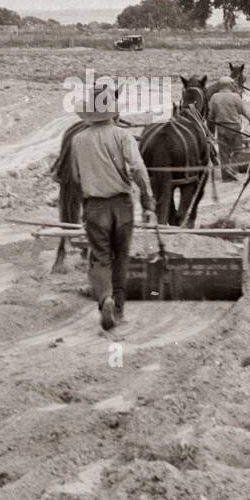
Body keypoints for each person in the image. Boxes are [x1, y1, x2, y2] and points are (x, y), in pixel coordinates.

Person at [69, 80, 154, 331]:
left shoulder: (78, 140)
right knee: (122, 257)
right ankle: (118, 308)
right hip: (122, 205)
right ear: (113, 111)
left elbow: (76, 177)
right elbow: (138, 168)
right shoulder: (123, 135)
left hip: (95, 207)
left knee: (101, 258)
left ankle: (104, 297)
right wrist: (147, 200)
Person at [207, 76, 250, 180]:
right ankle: (232, 170)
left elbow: (210, 116)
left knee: (223, 152)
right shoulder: (235, 97)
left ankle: (226, 176)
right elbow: (244, 111)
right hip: (234, 128)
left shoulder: (214, 97)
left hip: (221, 128)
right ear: (229, 85)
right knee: (237, 150)